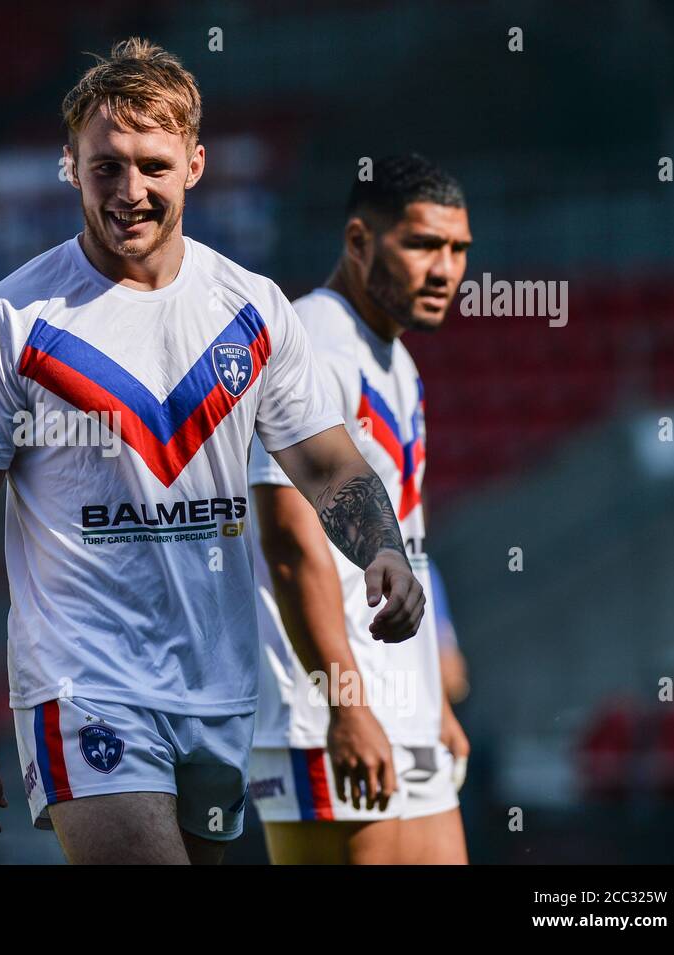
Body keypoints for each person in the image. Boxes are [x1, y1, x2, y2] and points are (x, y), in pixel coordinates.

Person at [0, 39, 424, 865]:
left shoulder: (251, 309)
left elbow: (328, 464)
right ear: (68, 168)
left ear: (195, 163)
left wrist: (385, 549)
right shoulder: (8, 322)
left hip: (218, 690)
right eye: (105, 166)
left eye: (152, 164)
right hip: (84, 685)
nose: (130, 190)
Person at [246, 154, 471, 864]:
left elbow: (407, 532)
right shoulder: (308, 340)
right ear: (358, 241)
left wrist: (432, 690)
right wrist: (345, 704)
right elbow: (287, 536)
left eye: (458, 249)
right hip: (324, 709)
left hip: (404, 705)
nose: (444, 269)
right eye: (422, 244)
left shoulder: (398, 362)